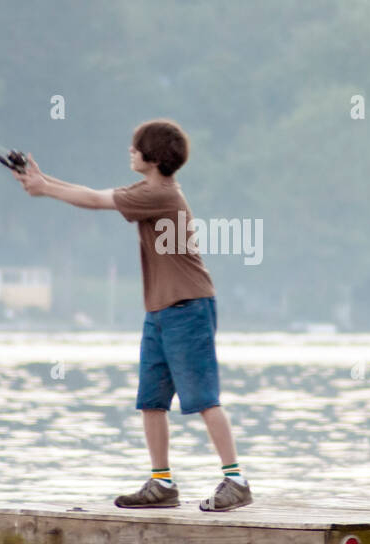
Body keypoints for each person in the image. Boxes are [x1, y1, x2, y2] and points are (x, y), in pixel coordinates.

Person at [13, 119, 252, 512]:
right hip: (159, 311)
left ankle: (236, 480)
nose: (129, 151)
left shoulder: (161, 195)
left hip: (188, 308)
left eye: (135, 147)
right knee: (151, 401)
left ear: (152, 158)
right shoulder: (148, 190)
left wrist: (44, 189)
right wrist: (41, 179)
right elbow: (91, 193)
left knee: (204, 399)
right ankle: (162, 484)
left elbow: (93, 199)